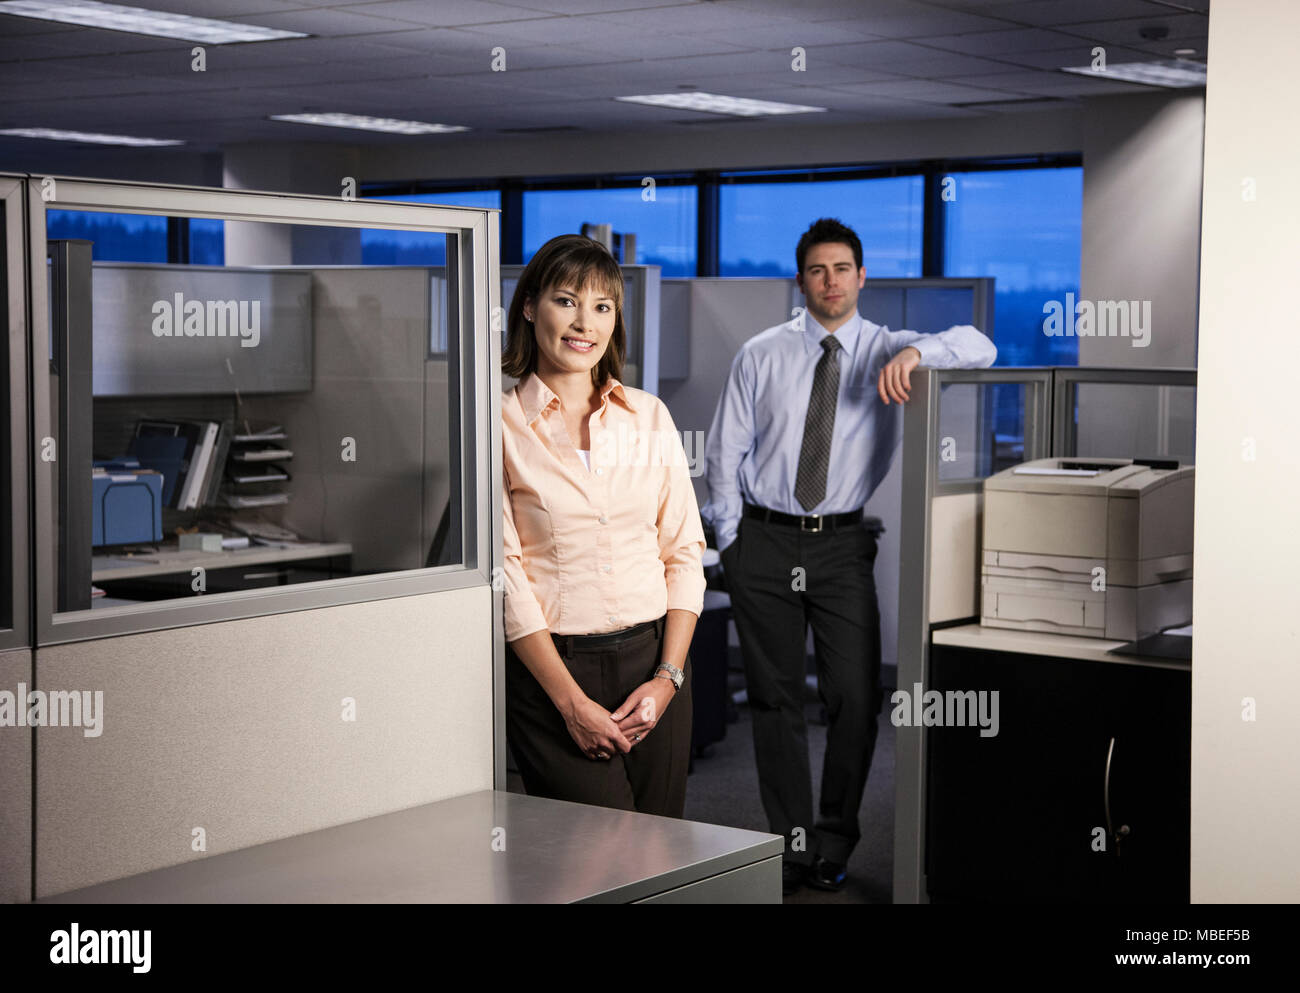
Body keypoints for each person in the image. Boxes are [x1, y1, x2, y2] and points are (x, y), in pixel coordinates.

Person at [703, 217, 997, 893]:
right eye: (816, 269)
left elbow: (980, 344)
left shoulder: (891, 345)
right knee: (774, 703)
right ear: (800, 279)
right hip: (763, 539)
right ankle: (794, 844)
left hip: (840, 546)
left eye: (842, 268)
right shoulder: (761, 353)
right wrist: (731, 541)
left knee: (856, 699)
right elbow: (723, 453)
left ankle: (835, 837)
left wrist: (919, 357)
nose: (830, 281)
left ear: (862, 277)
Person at [501, 233, 705, 817]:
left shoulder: (649, 416)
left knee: (662, 850)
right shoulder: (498, 423)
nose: (583, 322)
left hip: (654, 663)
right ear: (529, 306)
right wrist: (570, 703)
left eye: (602, 307)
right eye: (566, 301)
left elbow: (684, 552)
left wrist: (668, 678)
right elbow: (508, 580)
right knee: (596, 860)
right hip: (555, 673)